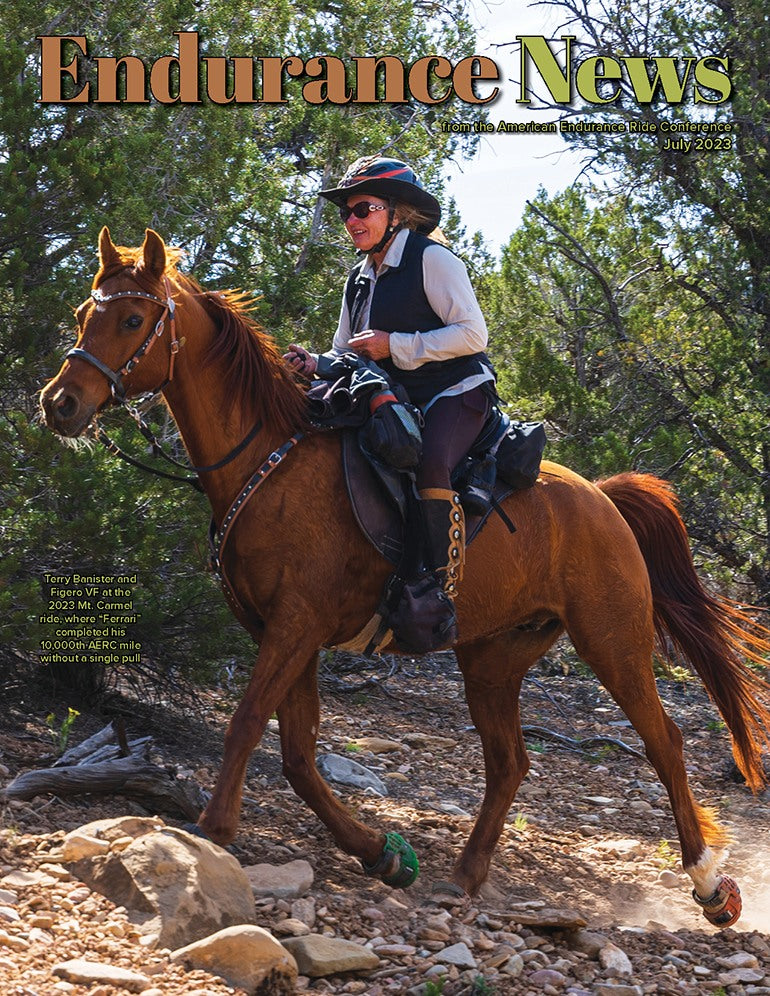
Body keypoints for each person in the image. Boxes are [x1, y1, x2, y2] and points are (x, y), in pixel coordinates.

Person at [284, 156, 496, 631]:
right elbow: (347, 350)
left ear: (396, 213)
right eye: (346, 213)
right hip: (398, 397)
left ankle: (437, 590)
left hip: (457, 391)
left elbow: (472, 335)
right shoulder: (357, 277)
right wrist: (314, 363)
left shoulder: (433, 259)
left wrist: (394, 346)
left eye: (363, 208)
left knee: (430, 463)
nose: (352, 220)